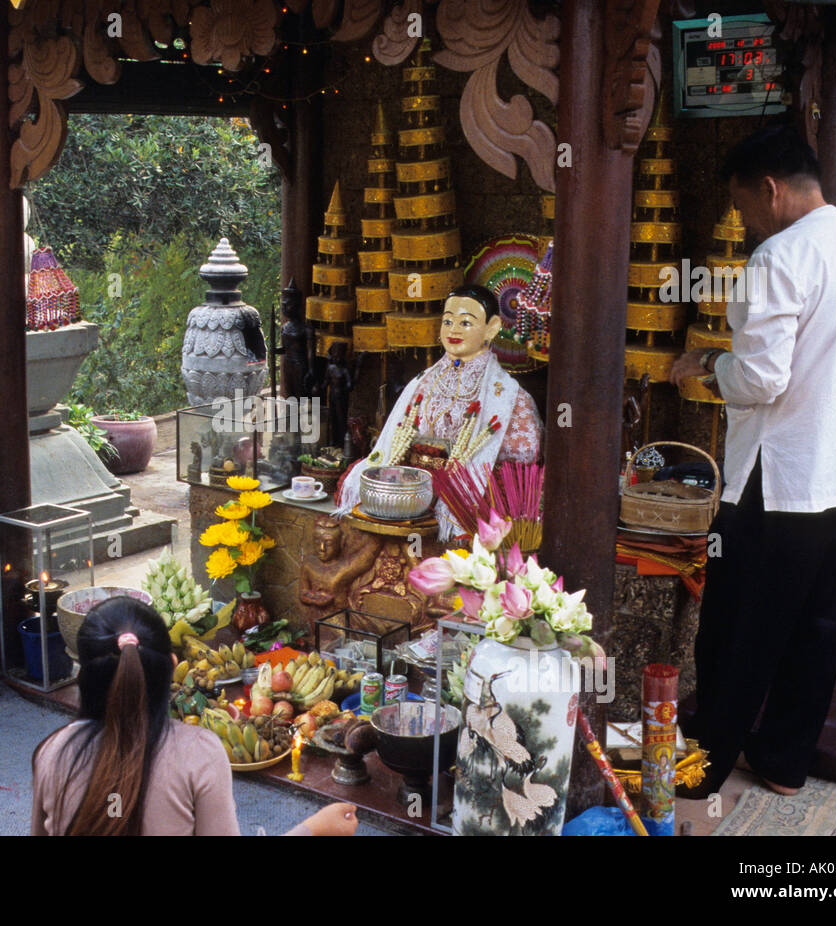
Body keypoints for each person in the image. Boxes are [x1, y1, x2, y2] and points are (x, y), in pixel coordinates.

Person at [668, 125, 836, 796]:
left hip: (782, 477)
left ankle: (703, 769)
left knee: (738, 627)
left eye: (743, 205)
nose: (744, 220)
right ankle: (782, 762)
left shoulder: (781, 257)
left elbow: (763, 379)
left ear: (769, 190)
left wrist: (709, 365)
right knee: (815, 626)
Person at [31, 596, 359, 836]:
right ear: (174, 666)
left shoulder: (53, 751)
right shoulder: (198, 752)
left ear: (83, 671)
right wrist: (312, 829)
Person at [336, 285, 544, 540]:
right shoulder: (423, 381)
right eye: (447, 321)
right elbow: (398, 440)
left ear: (492, 327)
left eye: (466, 322)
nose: (453, 330)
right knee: (359, 476)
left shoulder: (509, 396)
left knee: (488, 504)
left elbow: (521, 457)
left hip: (464, 481)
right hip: (416, 479)